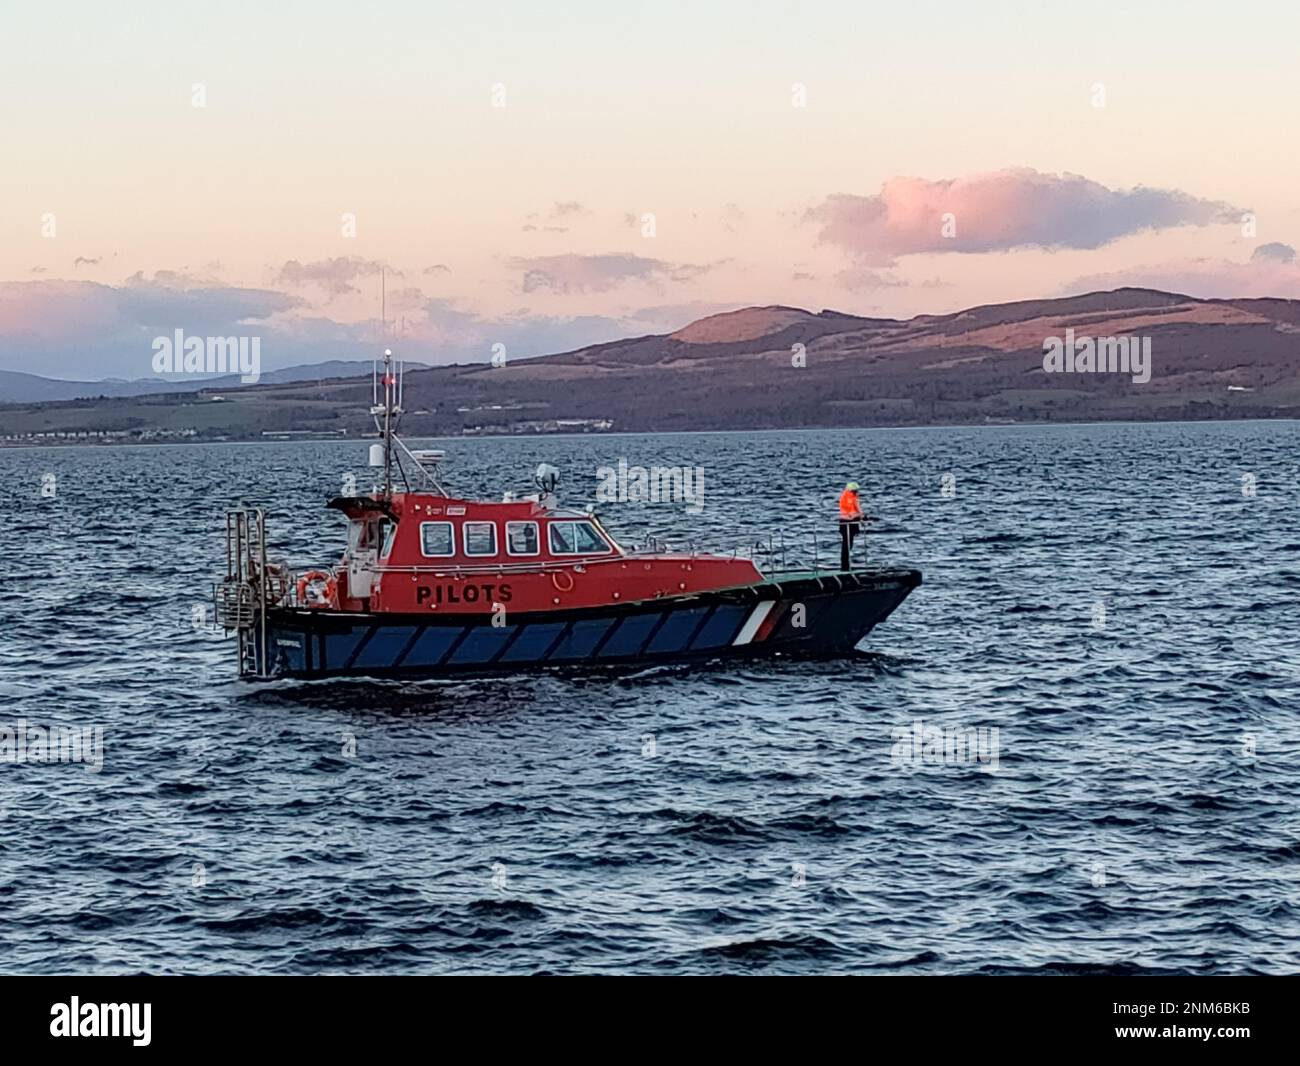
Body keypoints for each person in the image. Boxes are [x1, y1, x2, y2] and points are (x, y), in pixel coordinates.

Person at [838, 481, 864, 571]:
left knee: (846, 544)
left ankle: (845, 565)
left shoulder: (845, 497)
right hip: (849, 523)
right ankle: (845, 566)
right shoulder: (852, 498)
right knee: (847, 545)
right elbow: (854, 513)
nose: (858, 493)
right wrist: (862, 517)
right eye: (856, 491)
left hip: (844, 523)